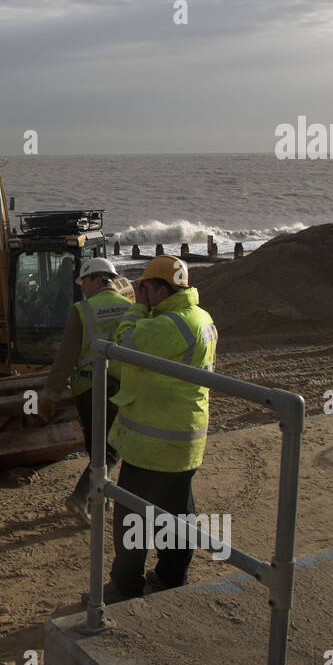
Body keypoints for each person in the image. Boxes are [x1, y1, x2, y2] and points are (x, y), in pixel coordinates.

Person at [103, 254, 218, 603]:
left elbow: (123, 341)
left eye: (145, 288)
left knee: (131, 519)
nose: (141, 293)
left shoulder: (167, 326)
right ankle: (170, 577)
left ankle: (126, 587)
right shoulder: (201, 317)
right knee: (177, 513)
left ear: (159, 289)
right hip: (186, 439)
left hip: (153, 442)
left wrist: (136, 309)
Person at [39, 257, 133, 524]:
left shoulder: (83, 310)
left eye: (86, 282)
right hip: (118, 386)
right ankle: (89, 498)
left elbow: (66, 356)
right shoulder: (131, 309)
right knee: (109, 447)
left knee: (102, 448)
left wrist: (50, 395)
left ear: (100, 280)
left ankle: (91, 497)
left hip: (86, 388)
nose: (83, 288)